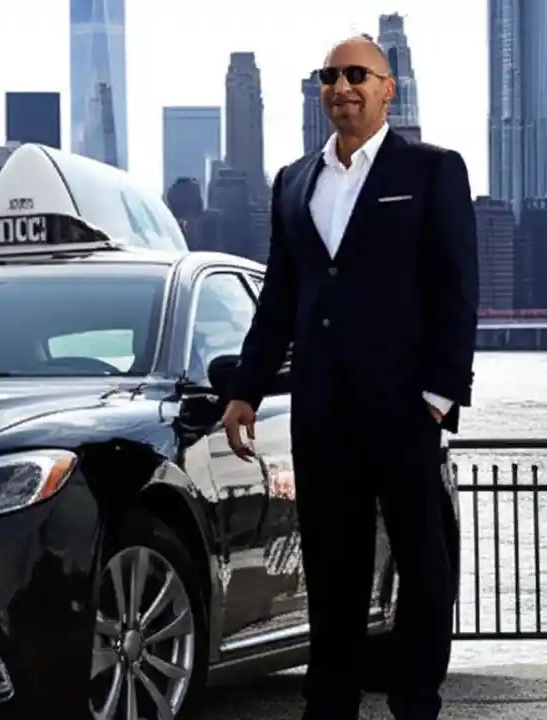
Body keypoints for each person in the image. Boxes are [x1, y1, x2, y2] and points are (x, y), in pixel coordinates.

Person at [219, 35, 476, 720]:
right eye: (329, 76)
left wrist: (438, 396)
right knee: (332, 566)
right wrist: (245, 388)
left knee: (422, 566)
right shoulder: (293, 180)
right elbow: (280, 298)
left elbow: (457, 290)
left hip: (404, 408)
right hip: (321, 411)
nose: (342, 87)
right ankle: (328, 703)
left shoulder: (433, 170)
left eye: (357, 74)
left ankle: (415, 701)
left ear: (389, 88)